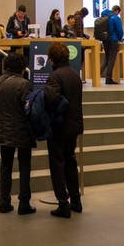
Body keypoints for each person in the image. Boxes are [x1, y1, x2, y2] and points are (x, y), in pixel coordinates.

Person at [0, 52, 35, 215]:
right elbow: (28, 108)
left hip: (2, 129)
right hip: (22, 130)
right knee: (24, 165)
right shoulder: (24, 84)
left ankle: (4, 202)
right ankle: (24, 203)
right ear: (22, 67)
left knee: (5, 166)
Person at [44, 41, 84, 218]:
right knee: (70, 162)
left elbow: (52, 100)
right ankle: (76, 201)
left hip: (59, 126)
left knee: (57, 164)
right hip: (74, 125)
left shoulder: (55, 76)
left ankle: (63, 203)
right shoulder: (75, 75)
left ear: (52, 58)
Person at [101, 5, 123, 85]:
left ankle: (97, 75)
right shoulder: (115, 18)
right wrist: (119, 39)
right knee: (111, 59)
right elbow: (119, 30)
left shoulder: (104, 16)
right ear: (117, 11)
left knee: (106, 58)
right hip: (113, 40)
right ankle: (108, 79)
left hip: (105, 40)